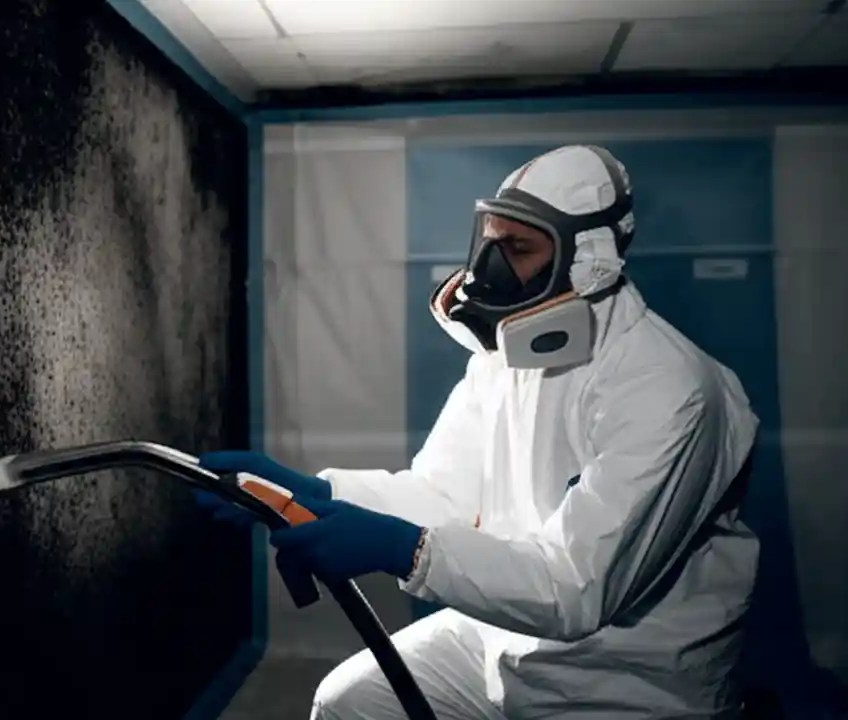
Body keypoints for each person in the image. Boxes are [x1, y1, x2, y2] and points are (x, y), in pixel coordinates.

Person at [196, 145, 761, 719]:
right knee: (350, 705)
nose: (489, 268)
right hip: (503, 641)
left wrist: (400, 549)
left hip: (629, 682)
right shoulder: (504, 361)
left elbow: (577, 588)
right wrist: (317, 496)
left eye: (517, 248)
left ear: (591, 259)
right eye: (490, 241)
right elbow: (446, 495)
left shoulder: (670, 389)